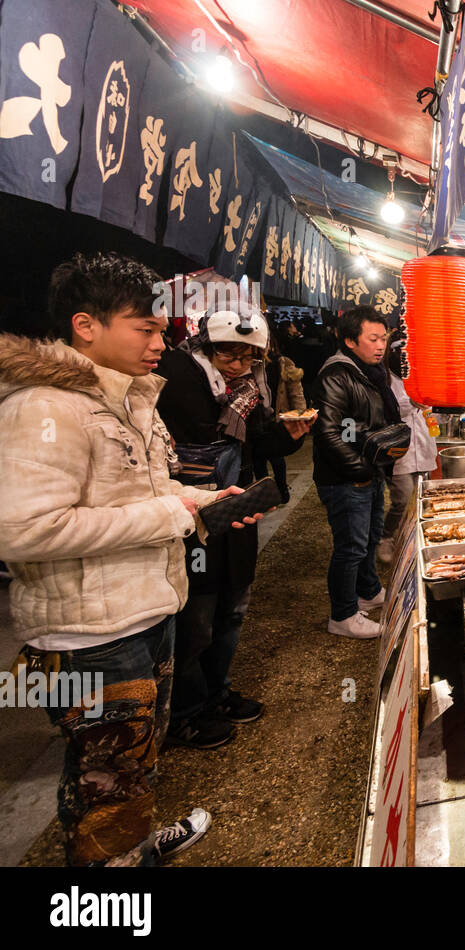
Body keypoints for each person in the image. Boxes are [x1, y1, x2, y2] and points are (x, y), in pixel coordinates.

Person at [0, 253, 263, 865]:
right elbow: (23, 530)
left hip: (141, 610)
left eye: (161, 329)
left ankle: (134, 846)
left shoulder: (127, 397)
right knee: (104, 775)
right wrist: (172, 518)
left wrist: (201, 499)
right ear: (85, 325)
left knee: (133, 757)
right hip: (88, 632)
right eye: (143, 329)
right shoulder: (44, 406)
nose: (158, 342)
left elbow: (139, 489)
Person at [156, 308, 310, 747]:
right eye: (229, 353)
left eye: (248, 356)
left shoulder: (247, 389)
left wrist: (291, 436)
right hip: (192, 513)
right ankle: (186, 712)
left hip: (237, 507)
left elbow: (259, 441)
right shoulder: (173, 378)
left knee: (233, 608)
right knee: (195, 619)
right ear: (206, 347)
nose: (239, 364)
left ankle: (217, 694)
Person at [312, 307, 399, 639]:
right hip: (345, 478)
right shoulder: (337, 374)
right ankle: (343, 614)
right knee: (349, 546)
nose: (380, 346)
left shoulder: (369, 372)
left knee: (368, 539)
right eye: (372, 339)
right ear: (349, 340)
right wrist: (359, 469)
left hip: (368, 471)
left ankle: (369, 590)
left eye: (383, 338)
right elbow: (329, 434)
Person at [378, 336, 439, 562]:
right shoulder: (384, 380)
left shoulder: (420, 378)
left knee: (422, 499)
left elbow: (432, 411)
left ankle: (412, 540)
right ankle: (386, 538)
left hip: (423, 445)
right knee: (402, 500)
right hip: (399, 452)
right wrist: (410, 403)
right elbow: (387, 412)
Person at [252, 324, 308, 503]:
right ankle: (266, 494)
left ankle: (282, 489)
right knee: (258, 460)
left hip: (275, 419)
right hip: (254, 421)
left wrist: (300, 415)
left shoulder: (282, 363)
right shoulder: (247, 367)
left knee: (276, 458)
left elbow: (296, 393)